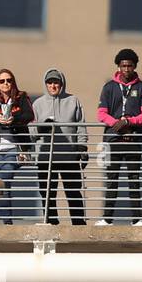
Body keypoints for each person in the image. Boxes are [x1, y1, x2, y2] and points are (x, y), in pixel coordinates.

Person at [97, 48, 142, 226]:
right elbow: (101, 114)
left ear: (135, 66)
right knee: (112, 181)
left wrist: (128, 122)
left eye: (130, 66)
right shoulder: (109, 87)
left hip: (134, 140)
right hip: (113, 141)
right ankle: (107, 219)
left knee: (134, 181)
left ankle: (137, 220)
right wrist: (117, 124)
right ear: (118, 67)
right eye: (123, 66)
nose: (126, 69)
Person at [0, 69, 35, 223]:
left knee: (4, 180)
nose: (6, 83)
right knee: (2, 188)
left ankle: (7, 221)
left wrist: (13, 119)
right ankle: (7, 222)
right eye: (2, 81)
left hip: (14, 149)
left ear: (13, 82)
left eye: (9, 80)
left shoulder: (21, 96)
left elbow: (29, 115)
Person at [31, 67, 86, 225]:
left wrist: (82, 148)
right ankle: (51, 225)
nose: (53, 86)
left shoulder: (73, 100)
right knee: (47, 195)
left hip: (69, 157)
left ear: (62, 84)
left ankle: (78, 226)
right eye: (50, 83)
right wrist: (41, 127)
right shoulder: (38, 104)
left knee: (73, 193)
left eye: (56, 82)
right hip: (45, 159)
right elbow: (31, 132)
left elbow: (81, 126)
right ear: (45, 84)